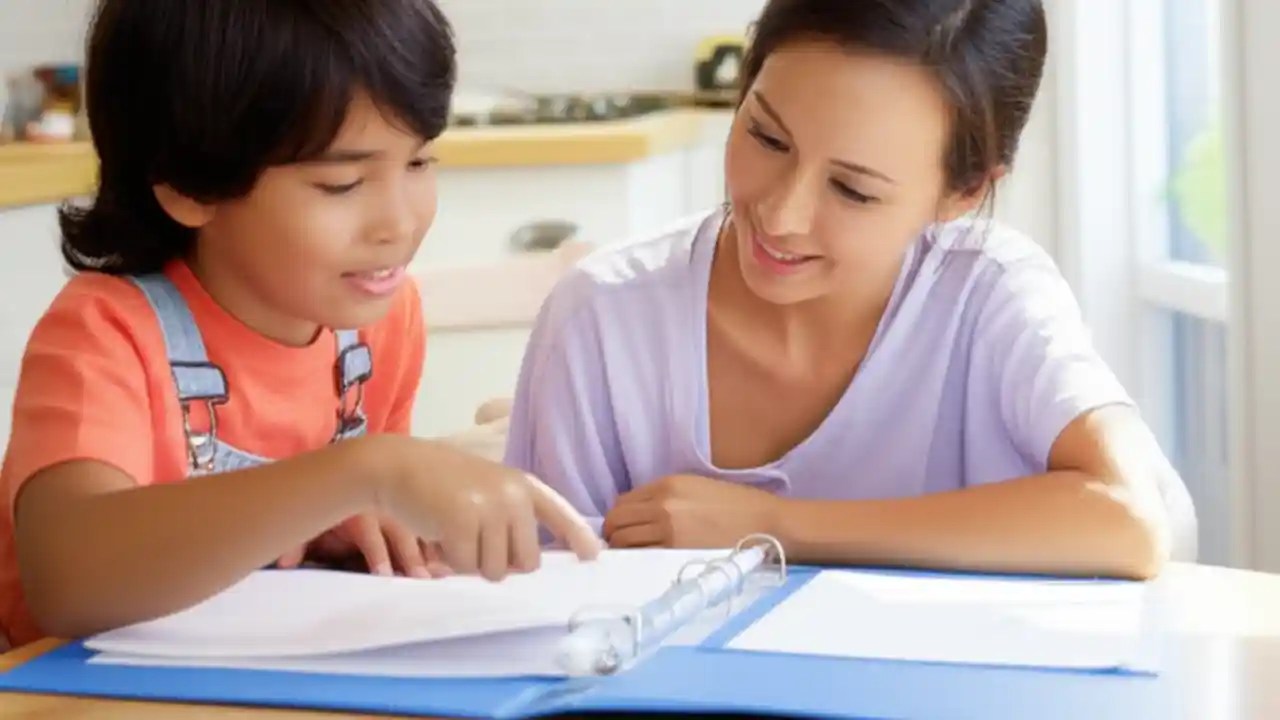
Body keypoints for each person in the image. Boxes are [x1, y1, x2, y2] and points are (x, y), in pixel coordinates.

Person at [503, 0, 1197, 580]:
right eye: (767, 138)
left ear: (963, 192)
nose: (781, 215)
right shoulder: (602, 317)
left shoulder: (988, 299)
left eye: (853, 190)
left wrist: (773, 527)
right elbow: (555, 614)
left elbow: (1131, 518)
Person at [0, 0, 600, 650]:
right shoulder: (107, 330)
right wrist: (359, 472)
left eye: (420, 162)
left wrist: (343, 520)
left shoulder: (382, 322)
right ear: (189, 183)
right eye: (341, 184)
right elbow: (67, 581)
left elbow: (337, 513)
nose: (398, 222)